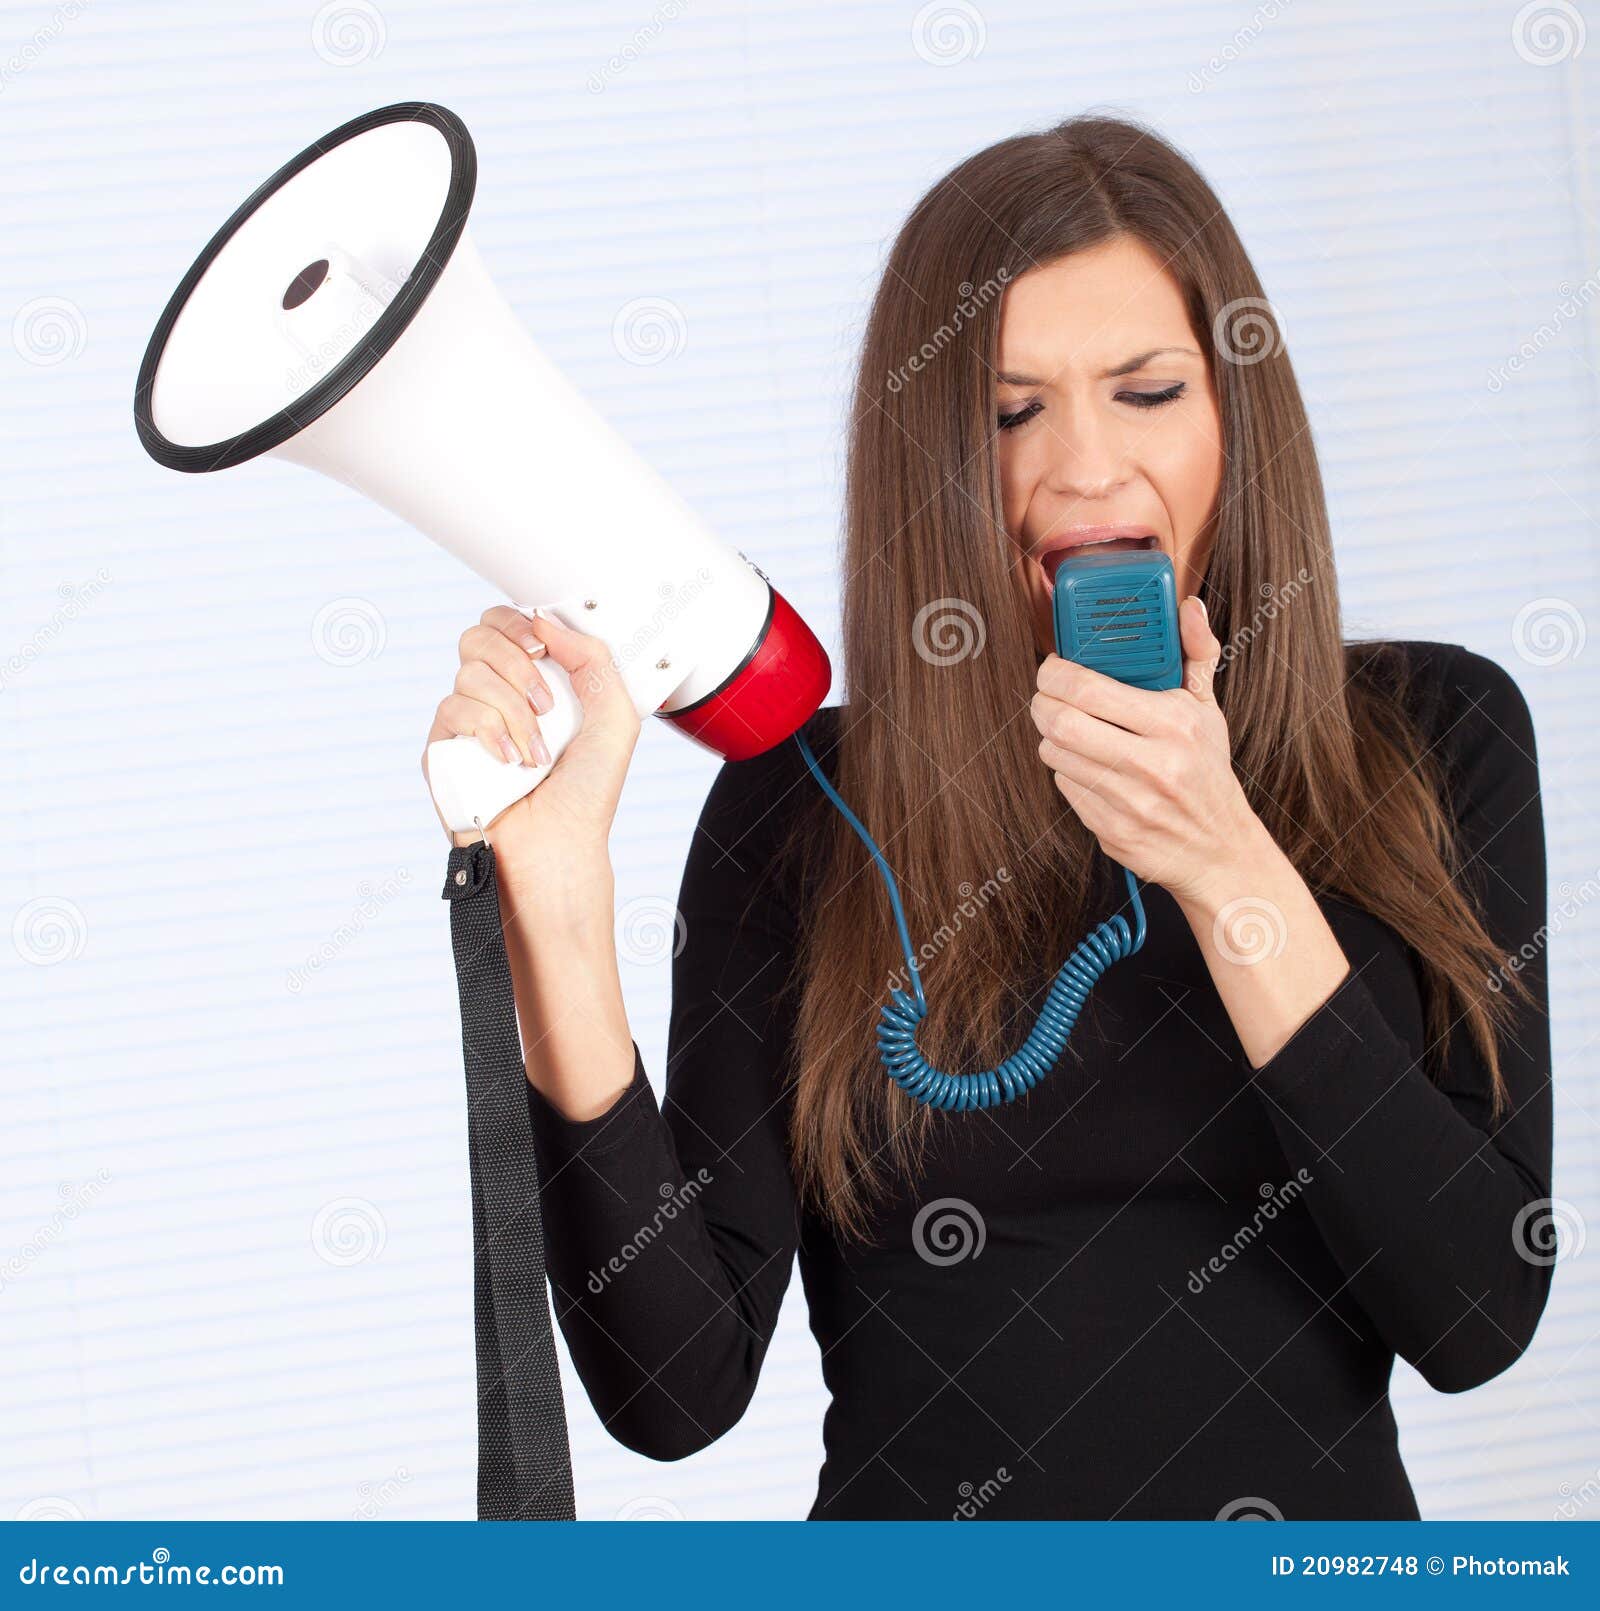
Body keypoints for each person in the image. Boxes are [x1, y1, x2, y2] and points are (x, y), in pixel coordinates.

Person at [423, 113, 1553, 1520]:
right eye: (1012, 412)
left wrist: (1222, 862)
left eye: (1147, 391)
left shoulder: (1436, 738)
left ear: (1236, 415)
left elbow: (1476, 1315)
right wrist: (556, 912)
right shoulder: (803, 800)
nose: (1084, 468)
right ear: (933, 462)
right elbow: (675, 1393)